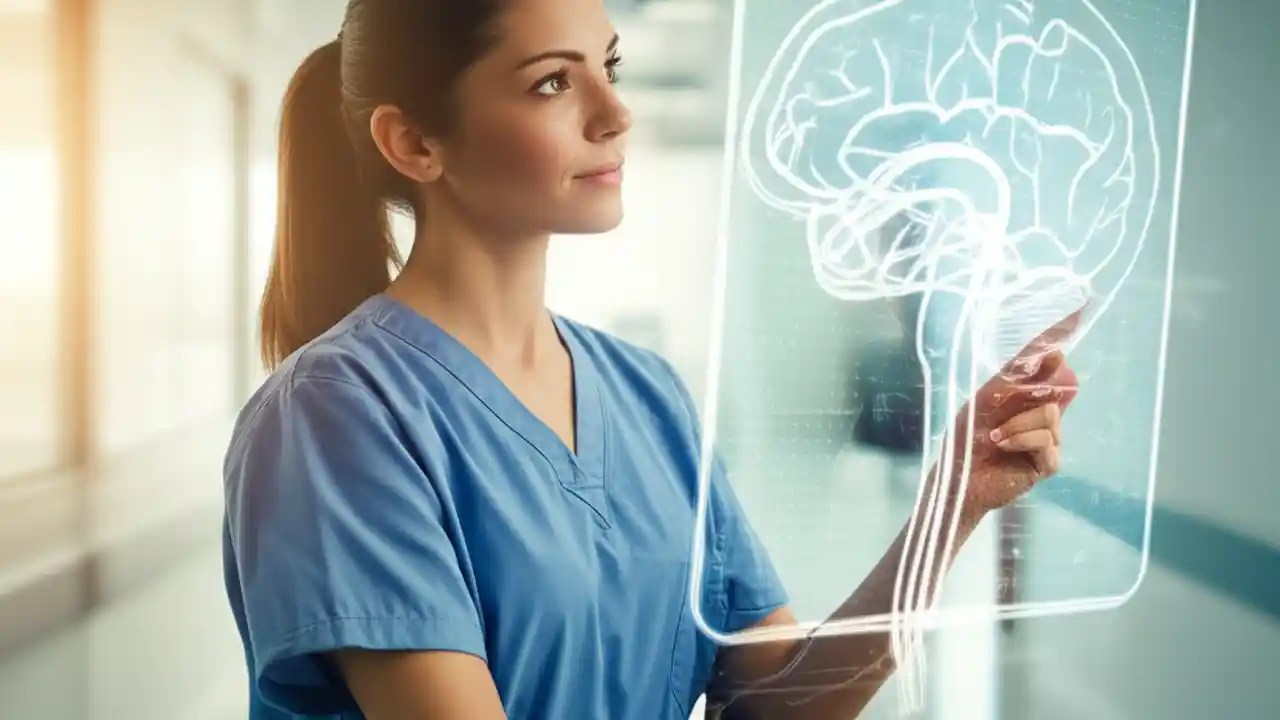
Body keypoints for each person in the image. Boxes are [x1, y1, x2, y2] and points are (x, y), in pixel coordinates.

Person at [220, 0, 1079, 718]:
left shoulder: (645, 395)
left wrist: (955, 497)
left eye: (610, 68)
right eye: (553, 82)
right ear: (414, 144)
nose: (615, 112)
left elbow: (774, 702)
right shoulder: (337, 414)